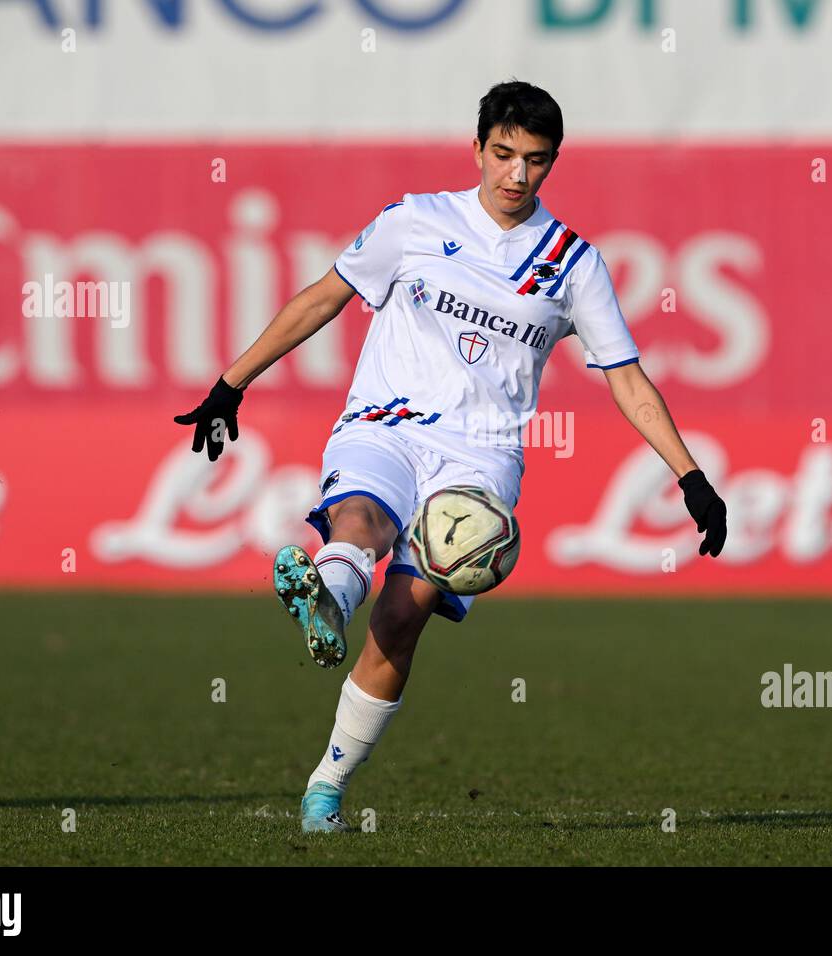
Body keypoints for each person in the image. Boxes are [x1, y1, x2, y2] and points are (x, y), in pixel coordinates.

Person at [174, 80, 727, 832]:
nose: (516, 176)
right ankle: (328, 604)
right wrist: (230, 384)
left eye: (535, 161)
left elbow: (625, 378)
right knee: (360, 519)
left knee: (402, 619)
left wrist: (690, 477)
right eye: (503, 155)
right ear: (476, 149)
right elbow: (323, 298)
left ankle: (325, 787)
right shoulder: (415, 220)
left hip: (481, 458)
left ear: (552, 163)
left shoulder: (573, 263)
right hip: (386, 423)